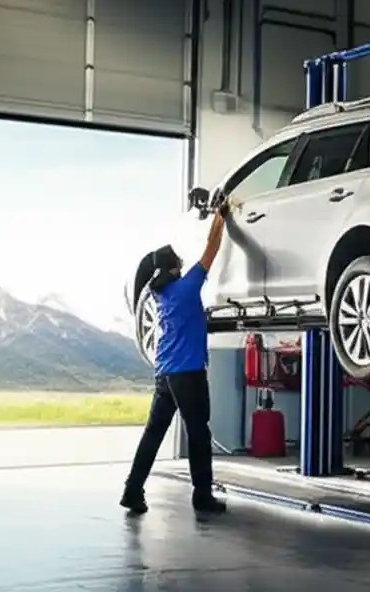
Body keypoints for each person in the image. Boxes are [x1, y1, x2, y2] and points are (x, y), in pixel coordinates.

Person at [121, 201, 228, 515]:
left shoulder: (162, 292)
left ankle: (132, 490)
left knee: (153, 433)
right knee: (198, 432)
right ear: (174, 268)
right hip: (188, 374)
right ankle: (202, 496)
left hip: (164, 374)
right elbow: (212, 248)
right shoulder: (187, 285)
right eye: (179, 261)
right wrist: (220, 217)